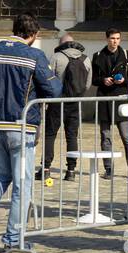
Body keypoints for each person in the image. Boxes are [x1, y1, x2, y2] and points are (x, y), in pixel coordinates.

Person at [0, 15, 62, 250]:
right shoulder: (33, 55)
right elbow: (53, 89)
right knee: (22, 183)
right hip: (22, 124)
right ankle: (12, 239)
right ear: (33, 35)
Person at [39, 33, 89, 183]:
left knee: (50, 135)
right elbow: (87, 84)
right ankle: (71, 171)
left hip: (57, 101)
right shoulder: (86, 59)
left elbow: (48, 80)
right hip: (75, 102)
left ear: (61, 44)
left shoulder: (56, 57)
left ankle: (46, 169)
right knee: (72, 136)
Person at [91, 27, 128, 179]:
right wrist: (103, 80)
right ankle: (108, 169)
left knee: (126, 137)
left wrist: (123, 80)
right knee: (105, 136)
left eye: (117, 38)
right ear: (107, 39)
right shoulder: (97, 56)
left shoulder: (127, 55)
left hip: (121, 99)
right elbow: (93, 80)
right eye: (112, 38)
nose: (115, 41)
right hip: (104, 98)